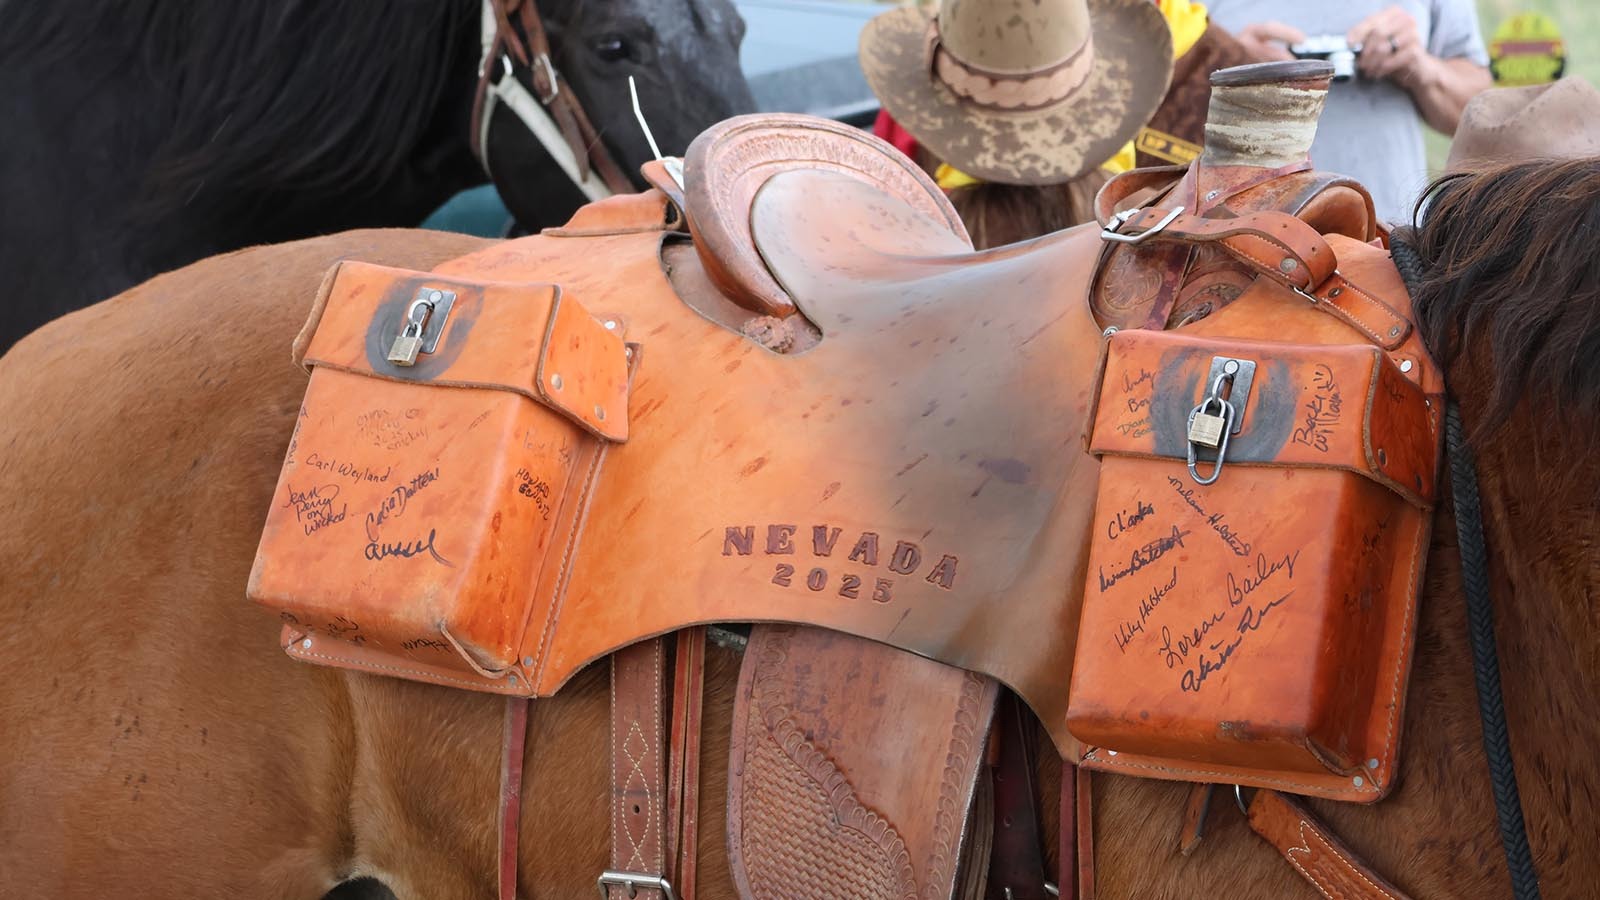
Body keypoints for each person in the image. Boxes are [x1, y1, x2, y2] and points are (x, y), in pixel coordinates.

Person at [1205, 1, 1492, 223]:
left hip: (1389, 242)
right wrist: (1229, 62)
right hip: (1240, 239)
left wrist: (1419, 66)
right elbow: (1161, 116)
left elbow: (1482, 116)